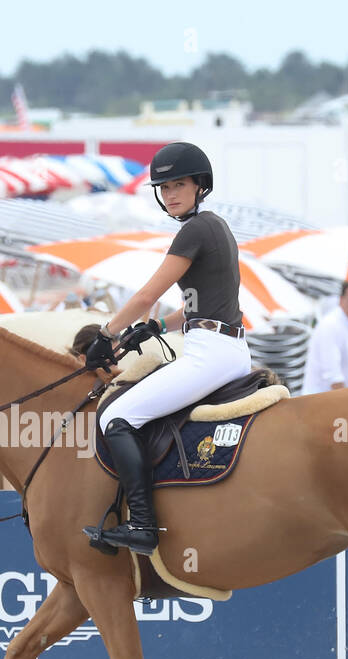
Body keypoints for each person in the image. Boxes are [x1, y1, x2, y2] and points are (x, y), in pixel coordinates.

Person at [82, 141, 251, 554]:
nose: (170, 193)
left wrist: (106, 334)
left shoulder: (195, 230)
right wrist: (156, 326)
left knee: (117, 416)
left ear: (199, 186)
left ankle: (141, 524)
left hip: (209, 354)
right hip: (224, 346)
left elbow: (143, 295)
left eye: (178, 184)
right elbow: (195, 307)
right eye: (163, 187)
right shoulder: (215, 226)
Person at [301, 283, 348, 395]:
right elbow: (333, 376)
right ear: (341, 300)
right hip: (323, 402)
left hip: (340, 398)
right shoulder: (331, 325)